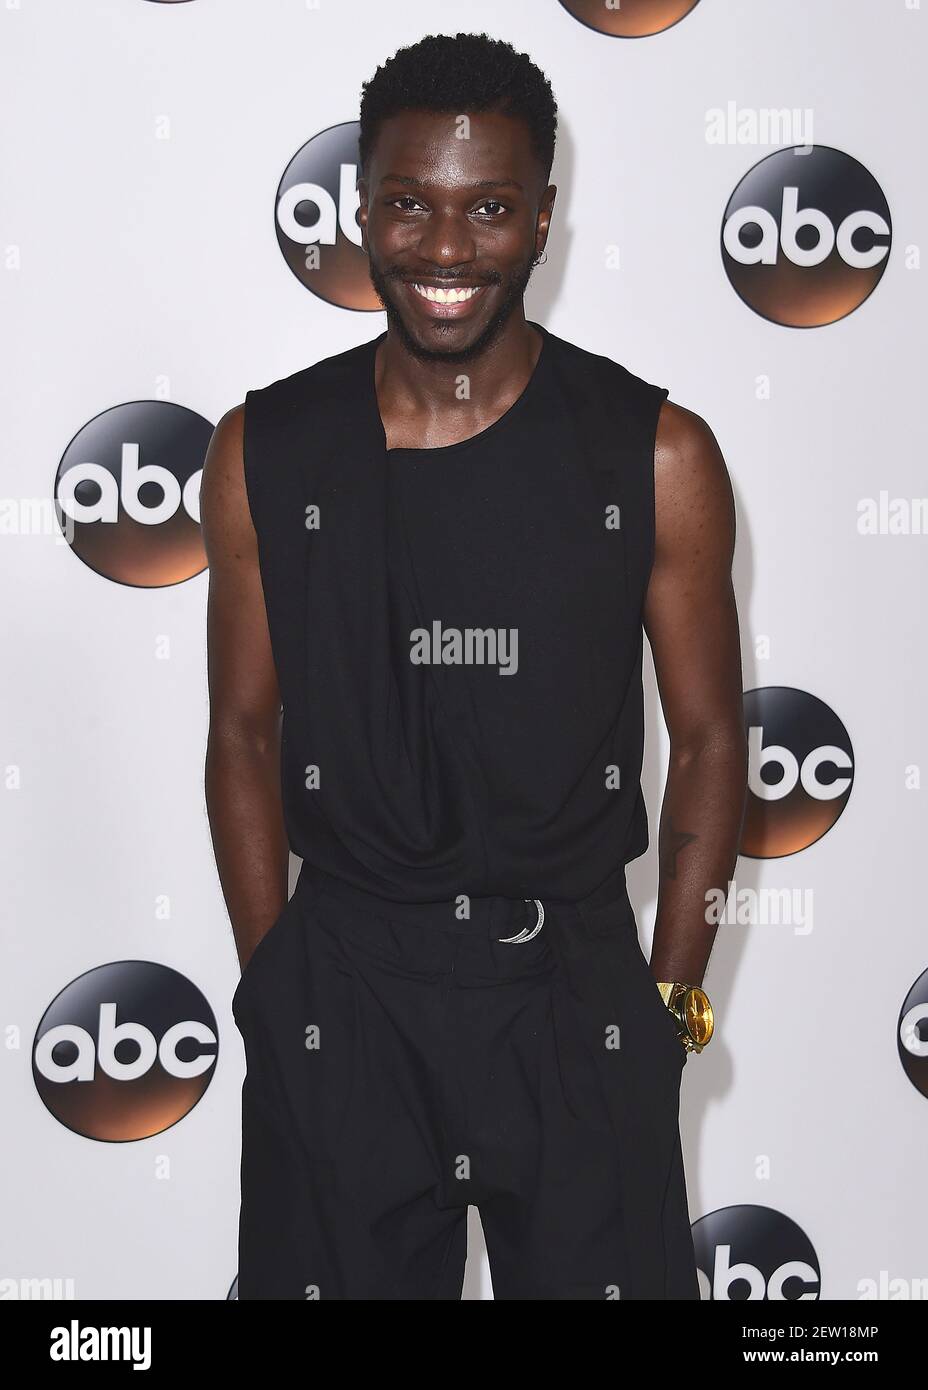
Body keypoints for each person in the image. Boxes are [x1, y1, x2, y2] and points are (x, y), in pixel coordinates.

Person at [201, 31, 747, 1301]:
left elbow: (715, 740)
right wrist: (276, 989)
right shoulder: (264, 448)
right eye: (409, 205)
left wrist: (667, 1004)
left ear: (544, 218)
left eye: (489, 209)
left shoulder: (656, 455)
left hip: (573, 985)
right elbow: (240, 733)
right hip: (344, 979)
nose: (445, 252)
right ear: (361, 209)